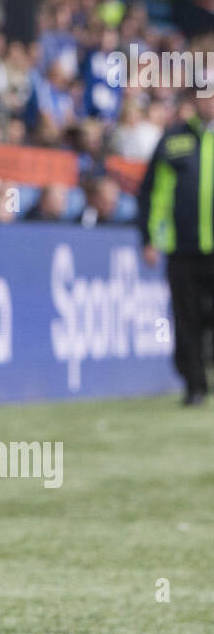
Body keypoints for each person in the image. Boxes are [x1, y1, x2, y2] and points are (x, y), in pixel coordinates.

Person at [138, 95, 214, 405]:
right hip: (181, 247)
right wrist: (149, 237)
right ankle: (195, 385)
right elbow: (153, 191)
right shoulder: (173, 140)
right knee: (186, 319)